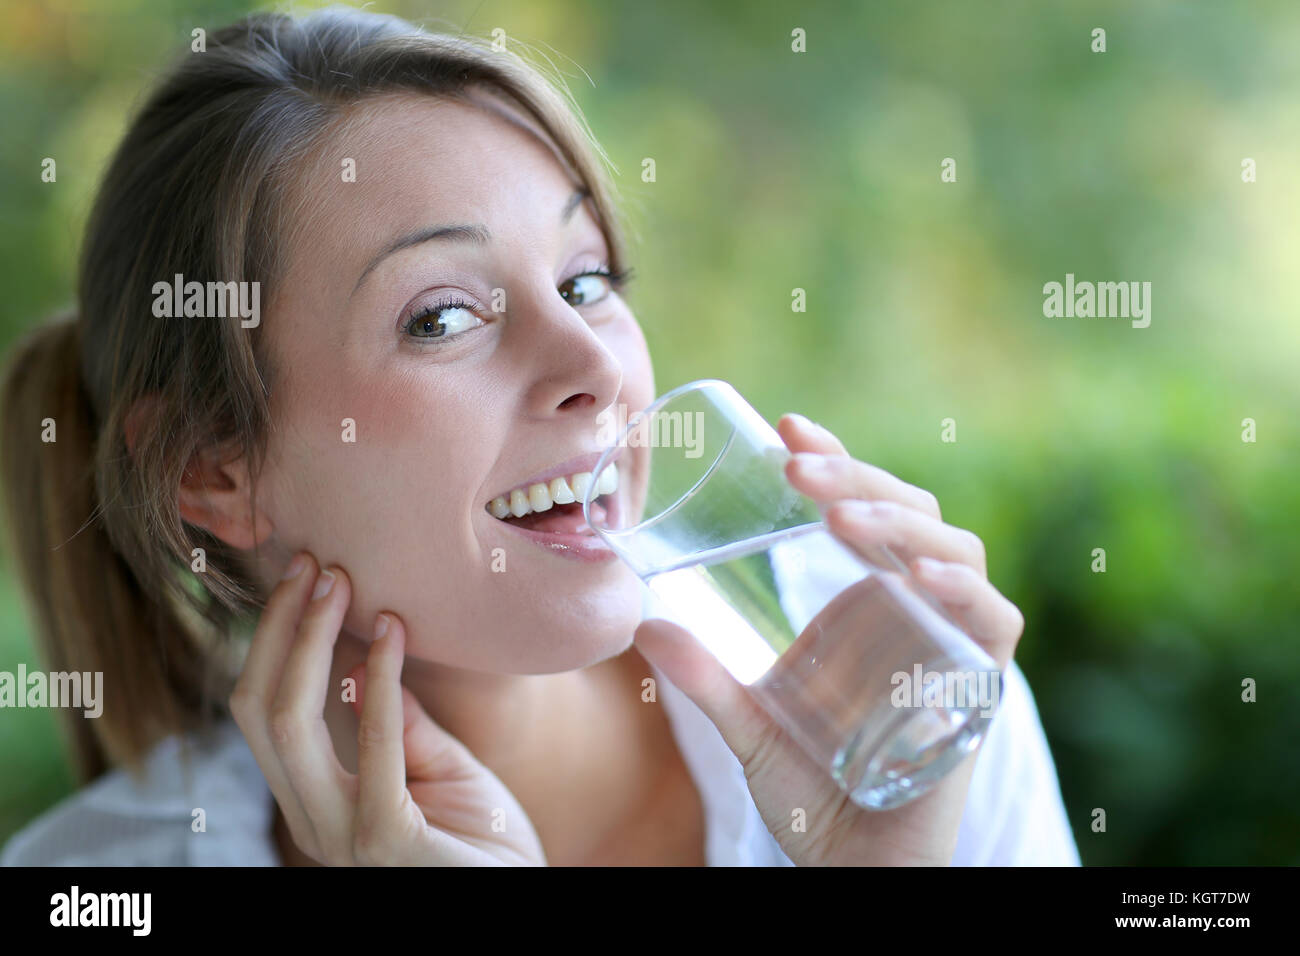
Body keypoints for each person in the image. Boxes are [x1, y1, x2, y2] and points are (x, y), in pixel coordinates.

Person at [0, 7, 1079, 866]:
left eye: (586, 280)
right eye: (442, 317)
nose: (596, 366)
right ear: (213, 469)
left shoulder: (886, 702)